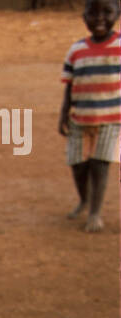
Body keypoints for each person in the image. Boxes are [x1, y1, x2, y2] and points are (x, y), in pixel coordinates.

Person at [59, 0, 121, 232]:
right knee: (77, 164)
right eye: (92, 13)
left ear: (118, 12)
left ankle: (95, 213)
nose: (99, 18)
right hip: (80, 116)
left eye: (107, 12)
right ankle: (84, 200)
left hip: (111, 117)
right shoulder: (76, 50)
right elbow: (69, 84)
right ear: (83, 16)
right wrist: (64, 113)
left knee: (100, 163)